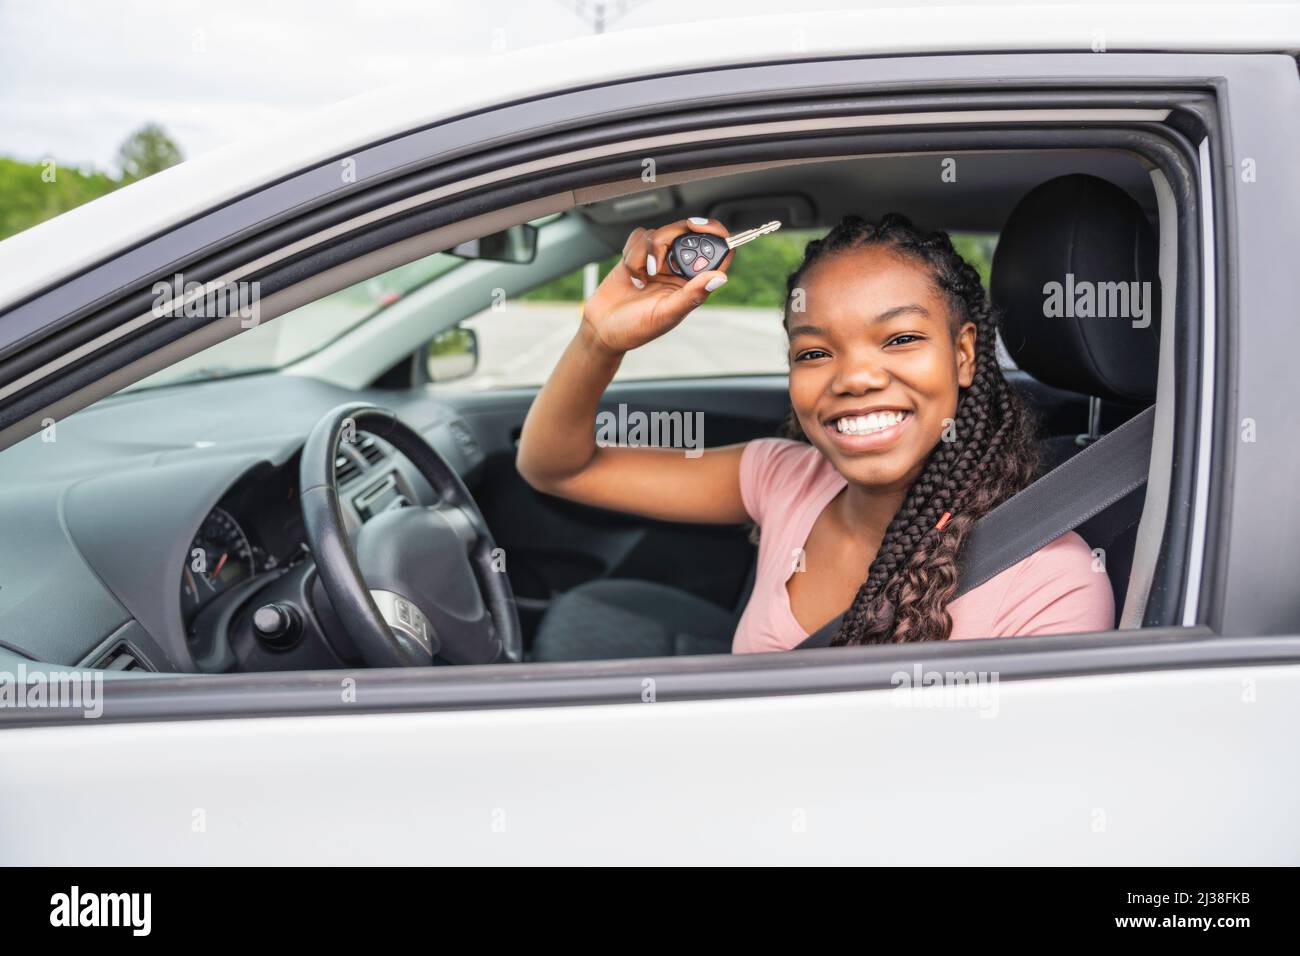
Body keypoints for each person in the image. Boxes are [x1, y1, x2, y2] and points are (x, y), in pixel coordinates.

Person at [517, 213, 1114, 652]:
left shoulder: (1050, 585)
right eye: (814, 352)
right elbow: (558, 467)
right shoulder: (785, 479)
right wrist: (599, 339)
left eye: (901, 339)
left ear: (963, 356)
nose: (854, 377)